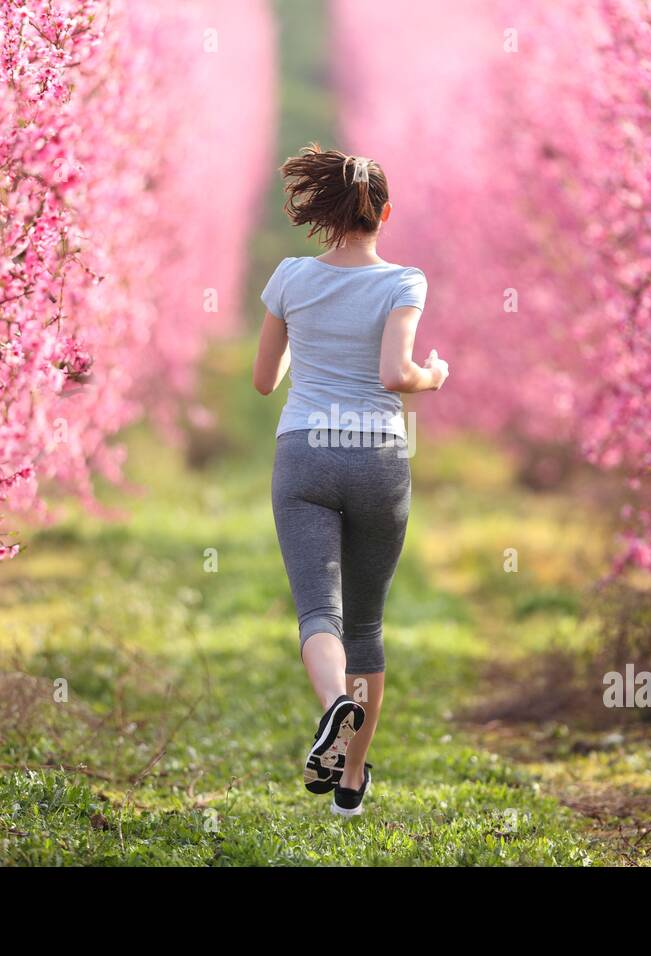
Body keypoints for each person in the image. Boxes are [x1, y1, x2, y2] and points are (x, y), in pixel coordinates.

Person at [253, 144, 449, 816]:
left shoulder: (289, 278)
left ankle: (334, 703)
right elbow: (397, 374)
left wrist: (299, 357)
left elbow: (262, 379)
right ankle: (351, 781)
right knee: (366, 623)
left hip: (305, 451)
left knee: (319, 613)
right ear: (384, 213)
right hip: (376, 456)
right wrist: (433, 375)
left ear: (323, 213)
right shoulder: (404, 282)